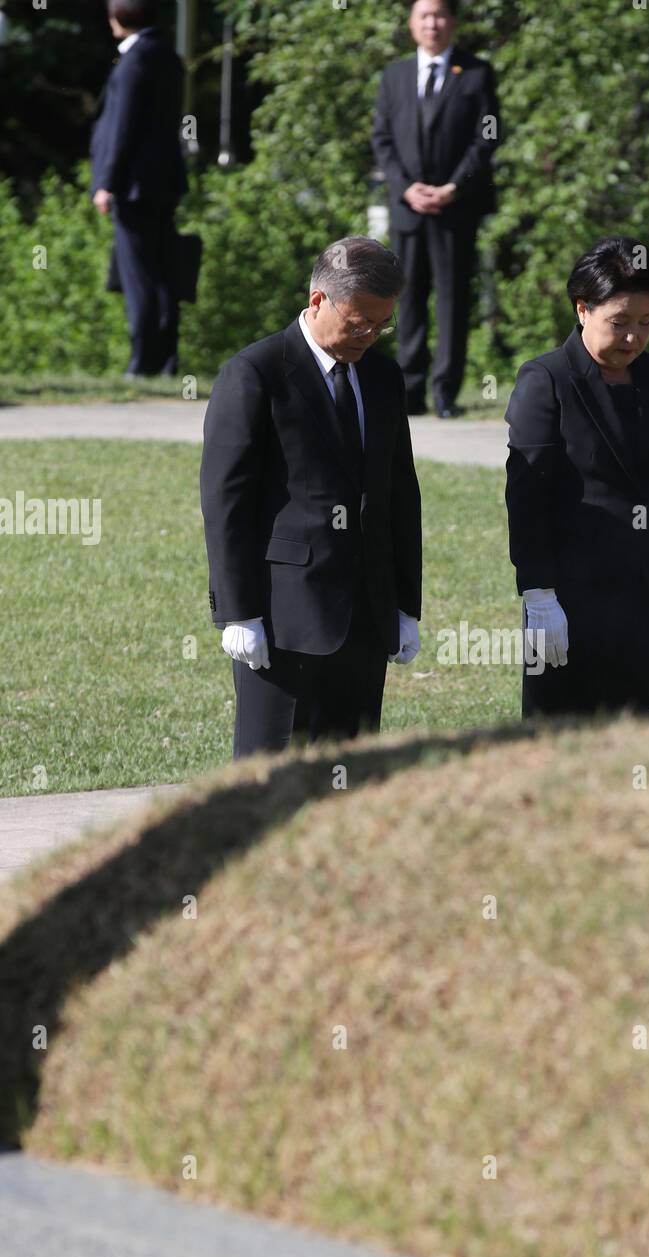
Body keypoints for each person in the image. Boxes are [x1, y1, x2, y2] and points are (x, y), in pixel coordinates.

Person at [200, 238, 423, 759]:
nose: (369, 335)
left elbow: (399, 493)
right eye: (359, 321)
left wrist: (404, 603)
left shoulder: (383, 376)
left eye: (382, 324)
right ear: (318, 300)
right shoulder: (255, 373)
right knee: (271, 775)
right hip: (284, 618)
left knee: (351, 770)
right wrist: (240, 612)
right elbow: (226, 501)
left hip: (366, 615)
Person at [504, 236, 649, 721]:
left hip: (647, 590)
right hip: (572, 596)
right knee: (564, 737)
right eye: (619, 323)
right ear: (582, 310)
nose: (633, 338)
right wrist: (539, 594)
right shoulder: (546, 380)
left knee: (638, 736)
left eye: (646, 323)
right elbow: (526, 497)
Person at [372, 0, 499, 418]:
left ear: (454, 23)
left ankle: (446, 393)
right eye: (424, 16)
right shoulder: (394, 76)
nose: (432, 23)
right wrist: (407, 188)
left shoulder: (477, 74)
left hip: (454, 209)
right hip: (408, 208)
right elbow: (382, 140)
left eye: (440, 15)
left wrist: (451, 188)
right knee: (405, 299)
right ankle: (409, 392)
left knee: (452, 301)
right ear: (412, 24)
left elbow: (487, 139)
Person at [90, 0, 187, 378]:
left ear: (120, 17)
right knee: (163, 272)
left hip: (133, 186)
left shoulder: (133, 61)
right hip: (163, 182)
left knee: (139, 275)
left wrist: (106, 183)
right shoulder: (166, 55)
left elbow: (121, 129)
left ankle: (142, 361)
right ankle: (165, 360)